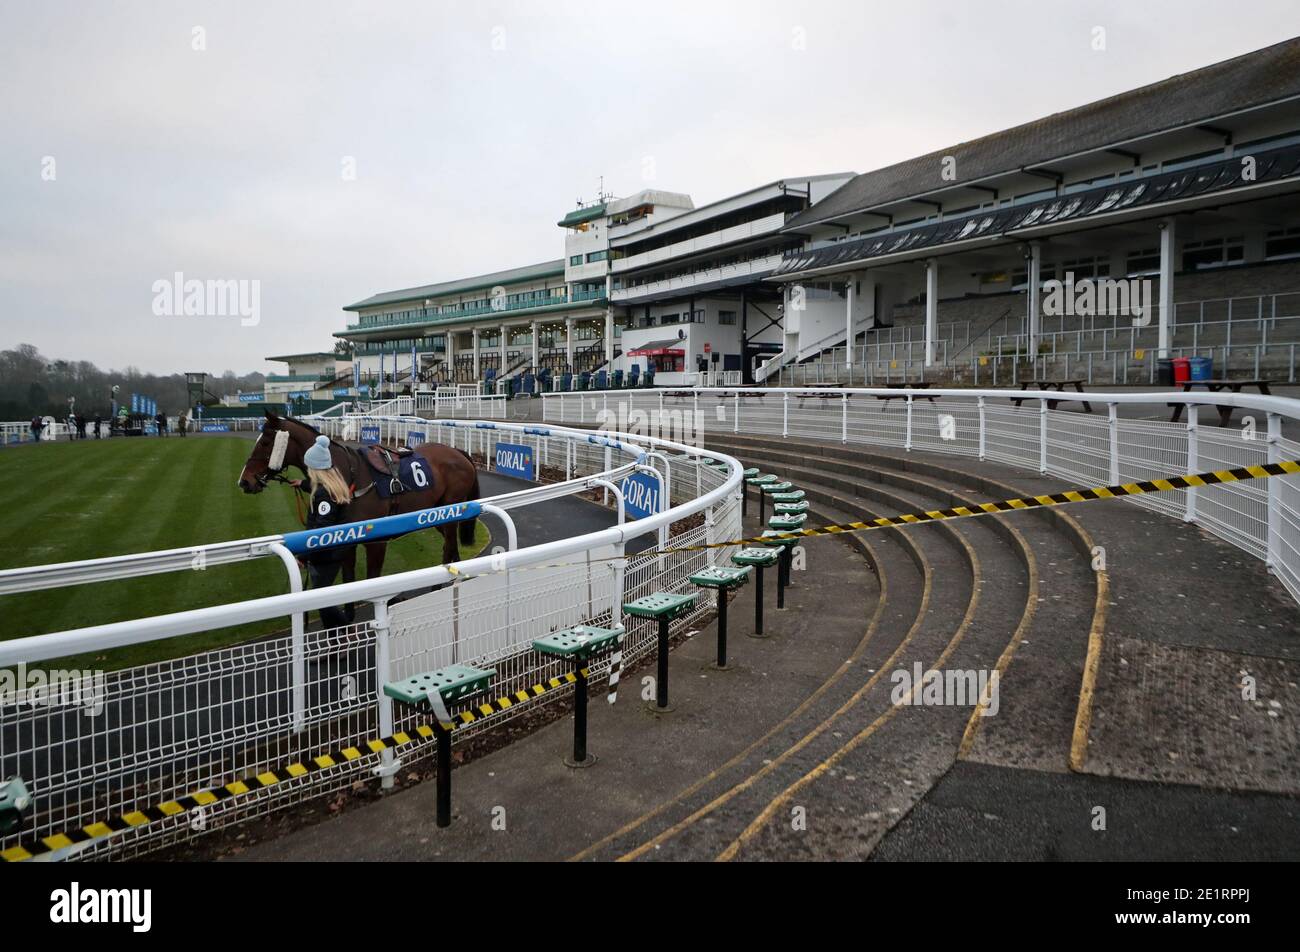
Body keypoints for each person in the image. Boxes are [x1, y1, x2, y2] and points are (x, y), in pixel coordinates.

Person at [291, 435, 357, 630]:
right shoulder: (332, 485)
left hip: (326, 554)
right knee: (322, 599)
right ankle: (337, 640)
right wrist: (301, 484)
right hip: (331, 552)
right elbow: (315, 487)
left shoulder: (324, 494)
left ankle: (347, 632)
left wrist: (302, 555)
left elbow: (321, 530)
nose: (308, 472)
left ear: (316, 469)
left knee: (321, 600)